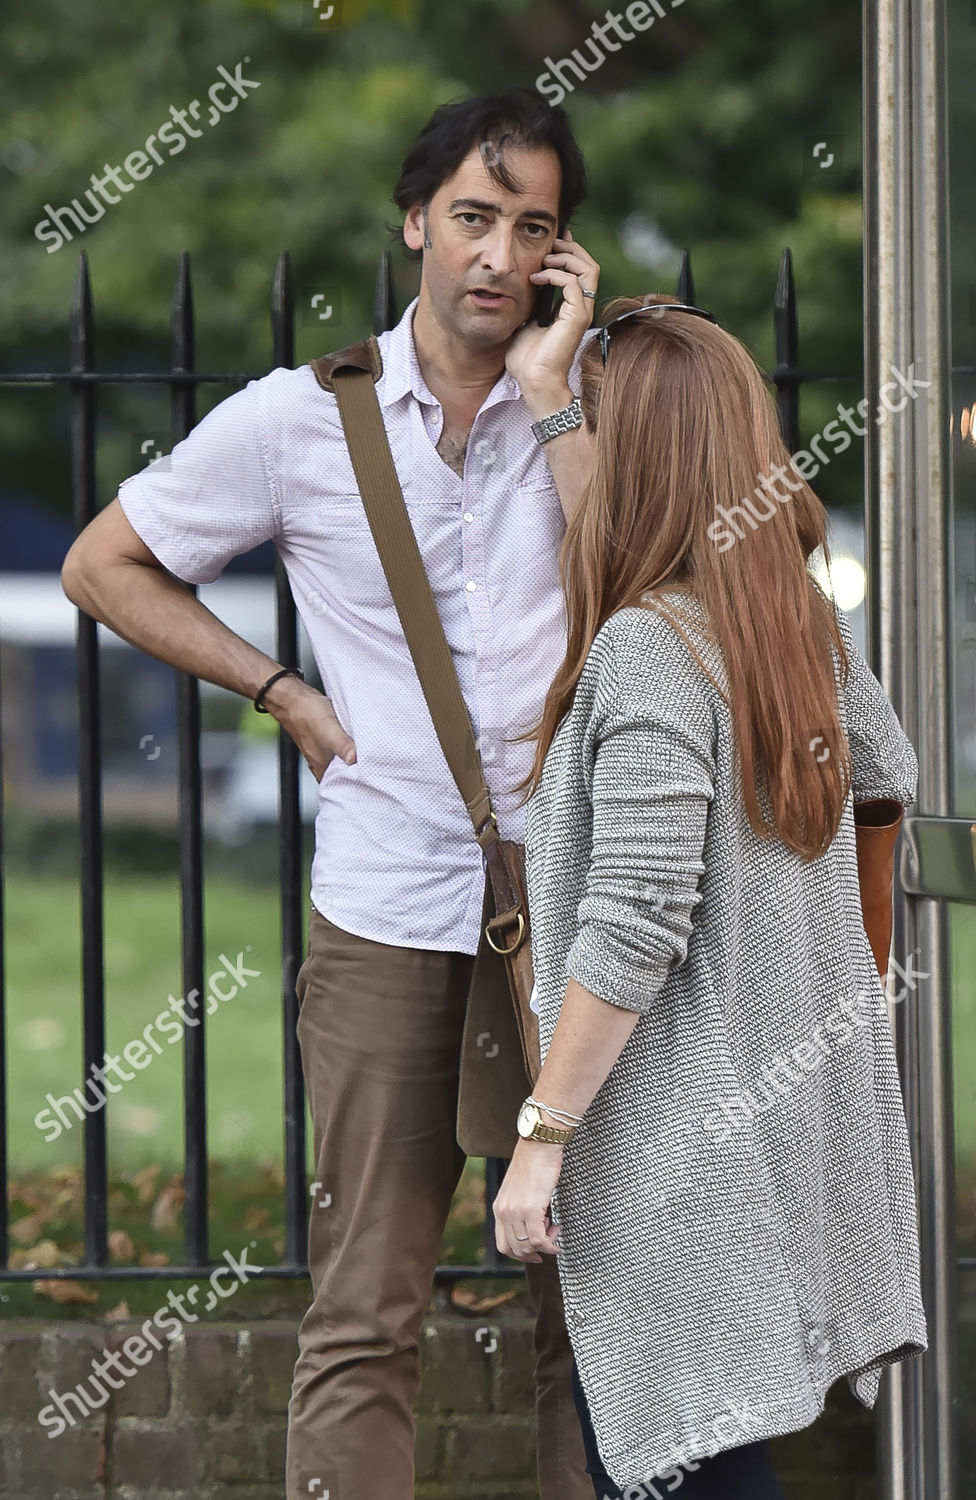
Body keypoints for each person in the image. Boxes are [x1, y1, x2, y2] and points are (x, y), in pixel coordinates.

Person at [60, 88, 605, 1498]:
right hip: (386, 904)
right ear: (415, 223)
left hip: (587, 913)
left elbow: (672, 574)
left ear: (562, 252)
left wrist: (559, 399)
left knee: (599, 1307)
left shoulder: (600, 406)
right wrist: (278, 688)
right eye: (474, 219)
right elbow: (104, 566)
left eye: (532, 226)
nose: (498, 255)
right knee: (367, 1307)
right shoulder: (298, 421)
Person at [492, 293, 929, 1497]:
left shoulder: (649, 648)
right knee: (724, 1453)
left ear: (632, 457)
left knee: (681, 1457)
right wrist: (548, 398)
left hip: (671, 1137)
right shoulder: (791, 625)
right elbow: (887, 785)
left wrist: (542, 1140)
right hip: (783, 1114)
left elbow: (635, 919)